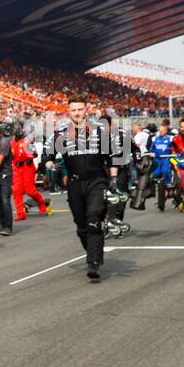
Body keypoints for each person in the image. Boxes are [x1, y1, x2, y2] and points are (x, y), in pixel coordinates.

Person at [51, 97, 117, 281]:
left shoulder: (100, 131)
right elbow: (47, 155)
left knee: (94, 218)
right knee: (81, 227)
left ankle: (93, 262)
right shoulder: (61, 133)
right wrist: (49, 163)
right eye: (73, 110)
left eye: (80, 109)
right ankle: (94, 252)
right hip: (74, 184)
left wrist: (113, 180)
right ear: (68, 112)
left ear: (86, 110)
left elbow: (112, 157)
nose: (77, 113)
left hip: (97, 181)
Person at [11, 129, 50, 220]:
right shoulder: (11, 143)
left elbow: (34, 154)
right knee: (17, 191)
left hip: (27, 167)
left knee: (30, 190)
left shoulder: (26, 141)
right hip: (16, 168)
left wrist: (29, 151)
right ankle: (20, 213)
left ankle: (41, 202)